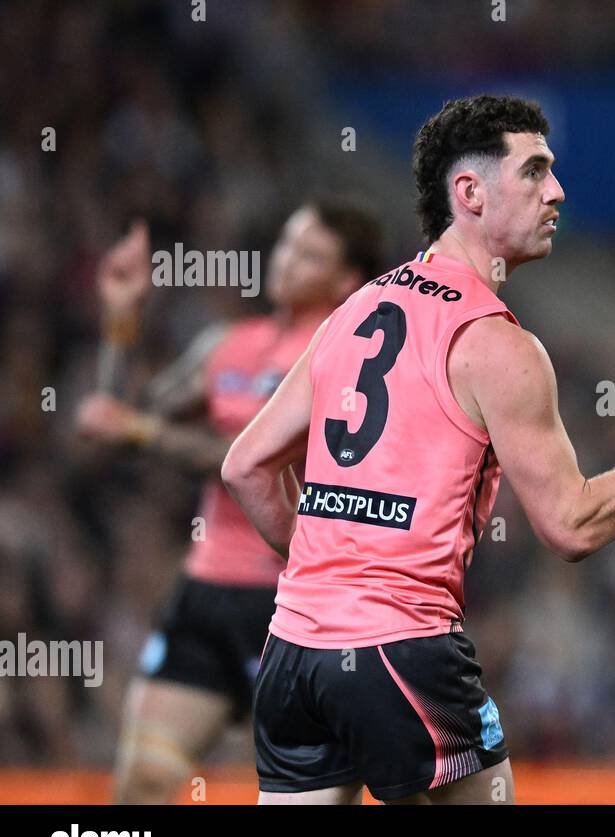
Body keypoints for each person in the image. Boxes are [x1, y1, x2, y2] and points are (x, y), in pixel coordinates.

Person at [221, 95, 615, 805]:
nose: (558, 191)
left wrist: (323, 574)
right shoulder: (497, 343)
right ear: (469, 193)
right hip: (403, 648)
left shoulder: (357, 307)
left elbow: (244, 466)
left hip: (292, 655)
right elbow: (571, 526)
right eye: (535, 172)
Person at [76, 200, 384, 803]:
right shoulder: (227, 345)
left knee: (307, 800)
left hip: (298, 604)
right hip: (209, 594)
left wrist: (149, 435)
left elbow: (259, 460)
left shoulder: (350, 358)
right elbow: (116, 423)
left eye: (311, 254)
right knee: (143, 783)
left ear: (348, 280)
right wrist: (120, 322)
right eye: (287, 243)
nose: (287, 260)